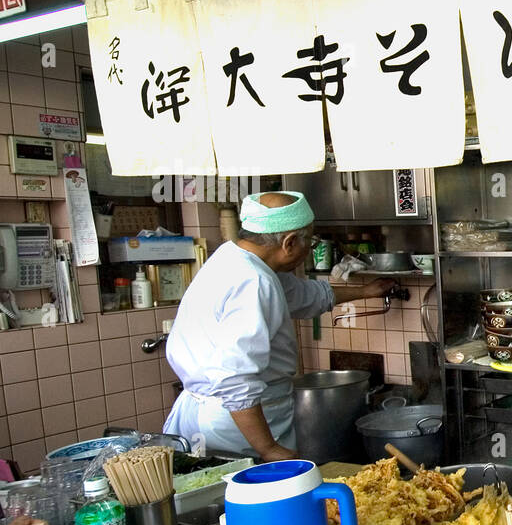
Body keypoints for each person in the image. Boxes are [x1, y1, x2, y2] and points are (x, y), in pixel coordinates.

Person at [163, 191, 394, 460]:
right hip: (239, 427)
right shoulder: (253, 282)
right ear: (290, 242)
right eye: (311, 240)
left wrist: (365, 292)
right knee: (254, 498)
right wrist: (269, 449)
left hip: (210, 416)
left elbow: (301, 295)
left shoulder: (235, 258)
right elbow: (236, 380)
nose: (310, 247)